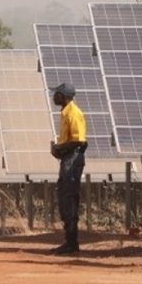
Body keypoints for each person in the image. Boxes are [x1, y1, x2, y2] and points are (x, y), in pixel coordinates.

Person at [49, 83, 87, 255]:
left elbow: (79, 141)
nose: (54, 97)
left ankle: (72, 243)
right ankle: (69, 241)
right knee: (64, 196)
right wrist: (59, 150)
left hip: (73, 159)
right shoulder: (65, 113)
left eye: (57, 94)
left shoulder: (73, 113)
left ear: (64, 96)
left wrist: (61, 148)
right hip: (68, 158)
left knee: (69, 197)